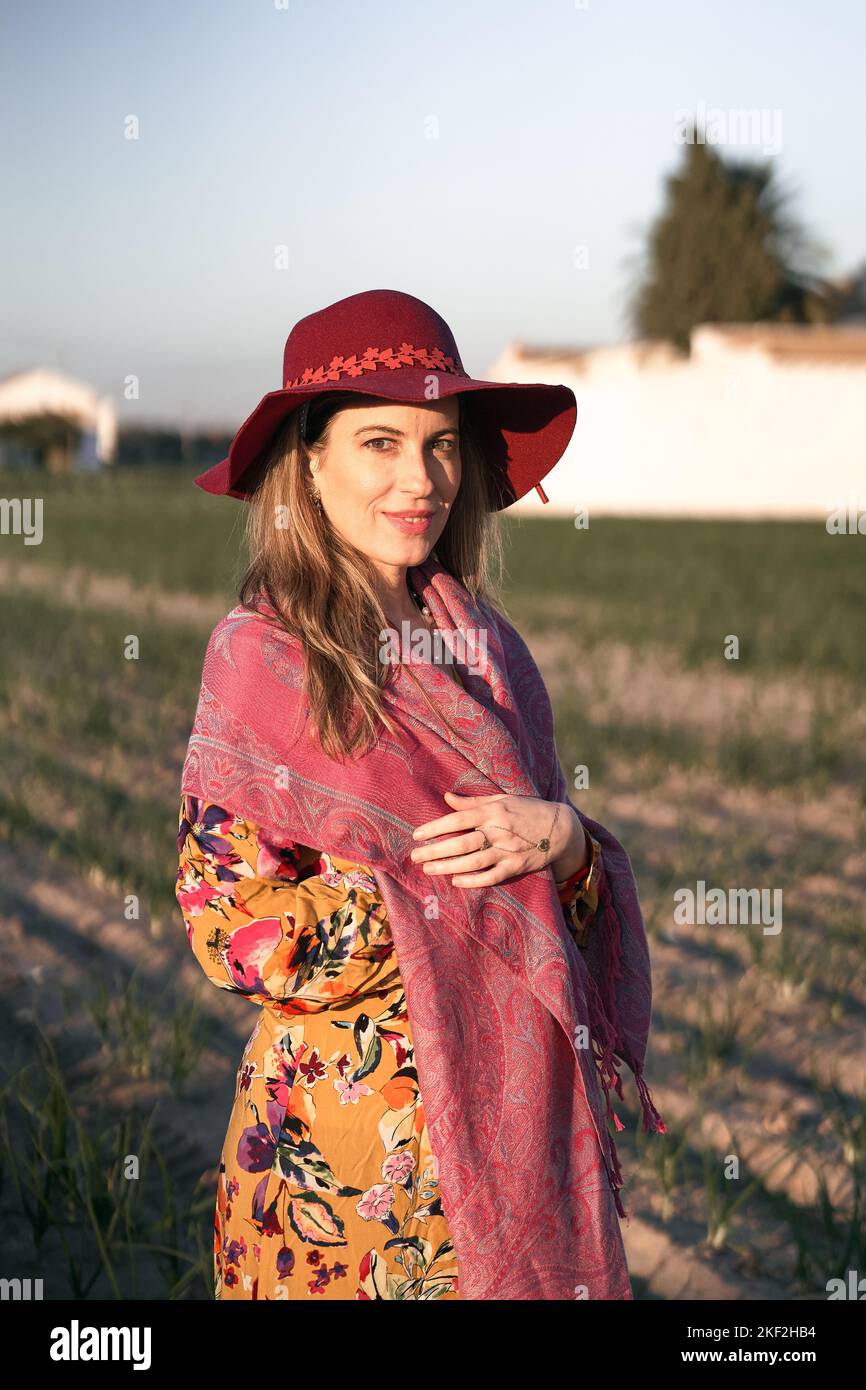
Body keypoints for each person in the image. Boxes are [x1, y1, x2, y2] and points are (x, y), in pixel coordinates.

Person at [175, 288, 664, 1301]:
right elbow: (232, 929)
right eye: (380, 441)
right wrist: (423, 892)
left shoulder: (486, 653)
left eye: (441, 444)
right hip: (348, 1179)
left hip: (517, 1144)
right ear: (306, 459)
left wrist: (566, 845)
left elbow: (554, 913)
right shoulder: (265, 659)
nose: (419, 478)